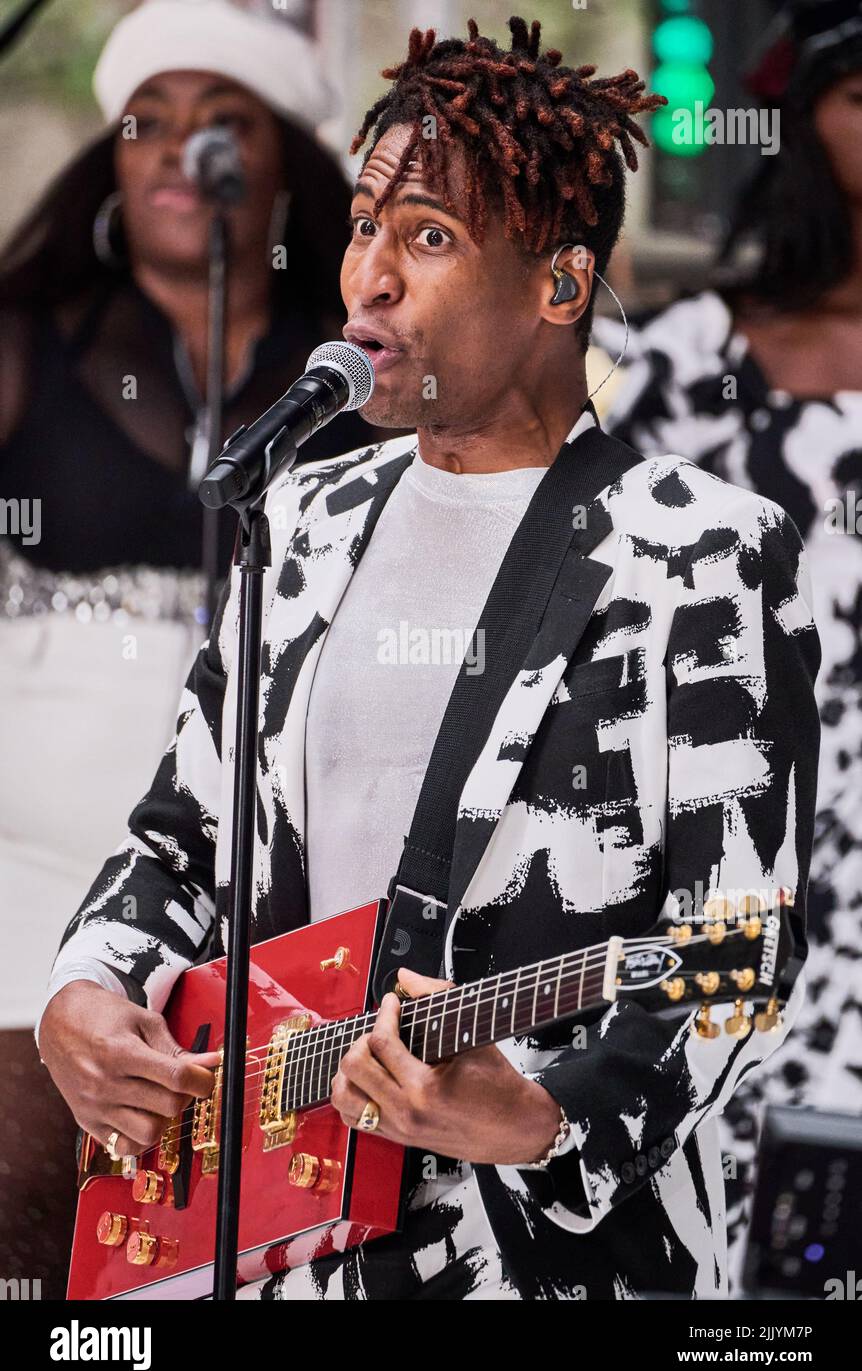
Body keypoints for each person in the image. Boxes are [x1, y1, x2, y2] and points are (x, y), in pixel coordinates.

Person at [37, 15, 820, 1301]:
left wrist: (540, 1118)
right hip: (277, 1244)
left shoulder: (700, 552)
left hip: (551, 1261)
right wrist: (86, 986)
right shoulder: (305, 515)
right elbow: (179, 837)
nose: (369, 282)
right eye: (361, 228)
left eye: (429, 238)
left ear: (560, 286)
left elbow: (737, 944)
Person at [0, 0, 380, 1298]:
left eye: (220, 128)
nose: (177, 153)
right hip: (27, 858)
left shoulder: (352, 369)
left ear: (281, 165)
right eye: (146, 127)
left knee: (197, 1228)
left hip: (259, 884)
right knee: (31, 1188)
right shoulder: (28, 339)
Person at [595, 0, 862, 1284]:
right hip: (759, 854)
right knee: (752, 1255)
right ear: (806, 119)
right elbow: (606, 616)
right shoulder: (695, 358)